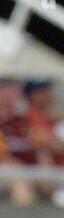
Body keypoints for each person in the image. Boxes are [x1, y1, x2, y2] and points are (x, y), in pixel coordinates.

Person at [0, 77, 35, 205]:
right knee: (18, 177)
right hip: (11, 172)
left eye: (15, 87)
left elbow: (40, 144)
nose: (15, 92)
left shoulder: (22, 120)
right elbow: (3, 157)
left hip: (28, 170)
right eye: (8, 87)